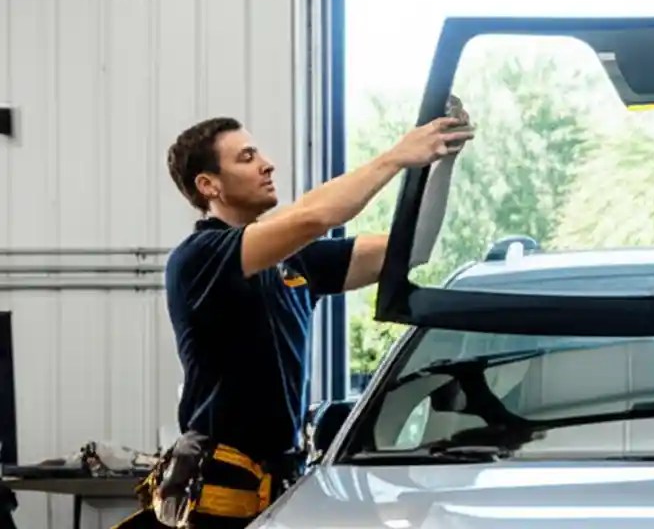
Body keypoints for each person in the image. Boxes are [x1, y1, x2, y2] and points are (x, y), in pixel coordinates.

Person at [115, 100, 473, 529]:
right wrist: (397, 156)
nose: (267, 165)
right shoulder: (199, 258)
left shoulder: (296, 261)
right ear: (209, 185)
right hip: (220, 497)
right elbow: (314, 216)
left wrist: (442, 162)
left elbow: (412, 250)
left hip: (281, 483)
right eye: (246, 157)